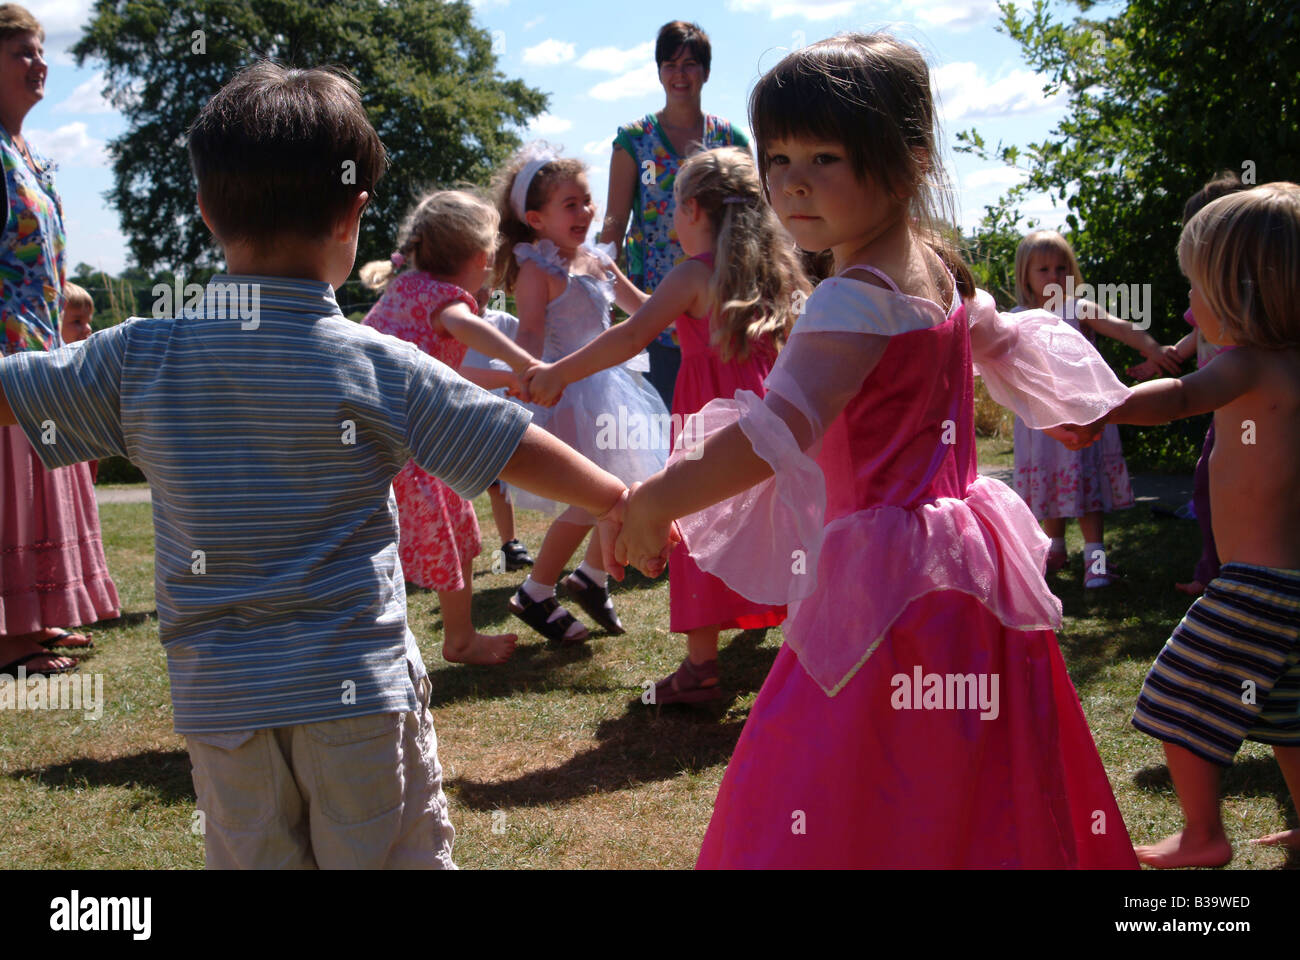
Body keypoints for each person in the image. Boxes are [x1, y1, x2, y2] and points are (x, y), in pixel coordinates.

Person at [0, 62, 629, 869]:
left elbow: (13, 392)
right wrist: (615, 497)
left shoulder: (140, 357)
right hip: (356, 696)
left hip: (224, 710)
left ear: (204, 210)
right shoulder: (374, 363)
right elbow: (509, 441)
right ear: (353, 215)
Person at [612, 33, 1140, 868]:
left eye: (826, 156)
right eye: (778, 156)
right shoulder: (935, 270)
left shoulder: (851, 298)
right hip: (964, 573)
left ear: (910, 160)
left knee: (839, 771)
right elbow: (997, 339)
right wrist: (1080, 407)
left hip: (883, 590)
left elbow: (774, 433)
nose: (792, 180)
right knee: (969, 763)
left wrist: (653, 503)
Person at [1060, 183, 1300, 867]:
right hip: (1290, 584)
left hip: (1252, 585)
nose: (1189, 307)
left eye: (1197, 289)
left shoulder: (1247, 364)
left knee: (1173, 696)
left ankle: (1202, 835)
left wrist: (1106, 406)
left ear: (1243, 295)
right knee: (1287, 714)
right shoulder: (1289, 366)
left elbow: (1180, 397)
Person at [528, 147, 801, 702]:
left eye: (674, 208)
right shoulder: (765, 271)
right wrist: (618, 283)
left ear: (695, 210)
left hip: (707, 413)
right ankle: (793, 634)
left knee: (697, 518)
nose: (672, 219)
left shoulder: (692, 274)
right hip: (769, 409)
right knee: (777, 515)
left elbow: (633, 336)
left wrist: (558, 372)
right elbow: (652, 309)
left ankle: (701, 667)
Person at [494, 142, 667, 644]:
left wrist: (697, 292)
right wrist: (521, 379)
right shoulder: (536, 271)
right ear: (536, 218)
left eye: (587, 201)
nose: (585, 212)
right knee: (590, 499)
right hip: (569, 396)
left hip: (613, 390)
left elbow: (645, 310)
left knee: (629, 488)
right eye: (569, 204)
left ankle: (590, 577)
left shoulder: (598, 262)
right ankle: (536, 589)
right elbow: (527, 338)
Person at [360, 190, 540, 666]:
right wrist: (523, 362)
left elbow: (443, 374)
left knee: (425, 542)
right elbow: (466, 326)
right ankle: (455, 640)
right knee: (450, 541)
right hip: (414, 451)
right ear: (482, 258)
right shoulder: (444, 300)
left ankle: (440, 640)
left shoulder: (403, 290)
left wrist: (504, 379)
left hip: (376, 445)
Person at [0, 3, 117, 675]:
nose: (39, 63)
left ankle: (32, 619)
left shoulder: (27, 157)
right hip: (5, 356)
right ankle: (5, 636)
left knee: (35, 485)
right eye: (21, 51)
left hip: (38, 350)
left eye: (42, 51)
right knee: (8, 492)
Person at [1009, 230, 1180, 586]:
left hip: (1083, 414)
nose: (1054, 276)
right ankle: (1054, 549)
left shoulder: (1078, 308)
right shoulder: (1016, 317)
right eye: (1043, 269)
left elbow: (1123, 327)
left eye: (1061, 268)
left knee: (1085, 492)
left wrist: (1154, 350)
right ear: (1024, 274)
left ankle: (1096, 565)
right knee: (1052, 487)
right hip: (1040, 422)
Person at [598, 20, 750, 409]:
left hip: (721, 310)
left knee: (724, 422)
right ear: (659, 71)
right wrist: (598, 284)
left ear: (707, 72)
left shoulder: (731, 140)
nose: (680, 74)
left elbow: (752, 225)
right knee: (664, 423)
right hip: (652, 309)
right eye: (670, 64)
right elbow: (615, 222)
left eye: (690, 64)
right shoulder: (633, 140)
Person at [1128, 171, 1248, 598]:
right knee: (1208, 489)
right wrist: (1163, 359)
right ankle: (1213, 571)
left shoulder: (1253, 307)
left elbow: (1183, 396)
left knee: (1232, 492)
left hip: (1240, 415)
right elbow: (1192, 339)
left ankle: (1231, 574)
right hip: (1221, 417)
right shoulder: (1209, 299)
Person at [461, 284, 535, 573]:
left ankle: (510, 544)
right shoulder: (452, 324)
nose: (479, 295)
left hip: (492, 418)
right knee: (451, 488)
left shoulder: (502, 322)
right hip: (454, 415)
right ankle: (448, 545)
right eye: (471, 288)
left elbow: (531, 347)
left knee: (498, 484)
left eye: (484, 288)